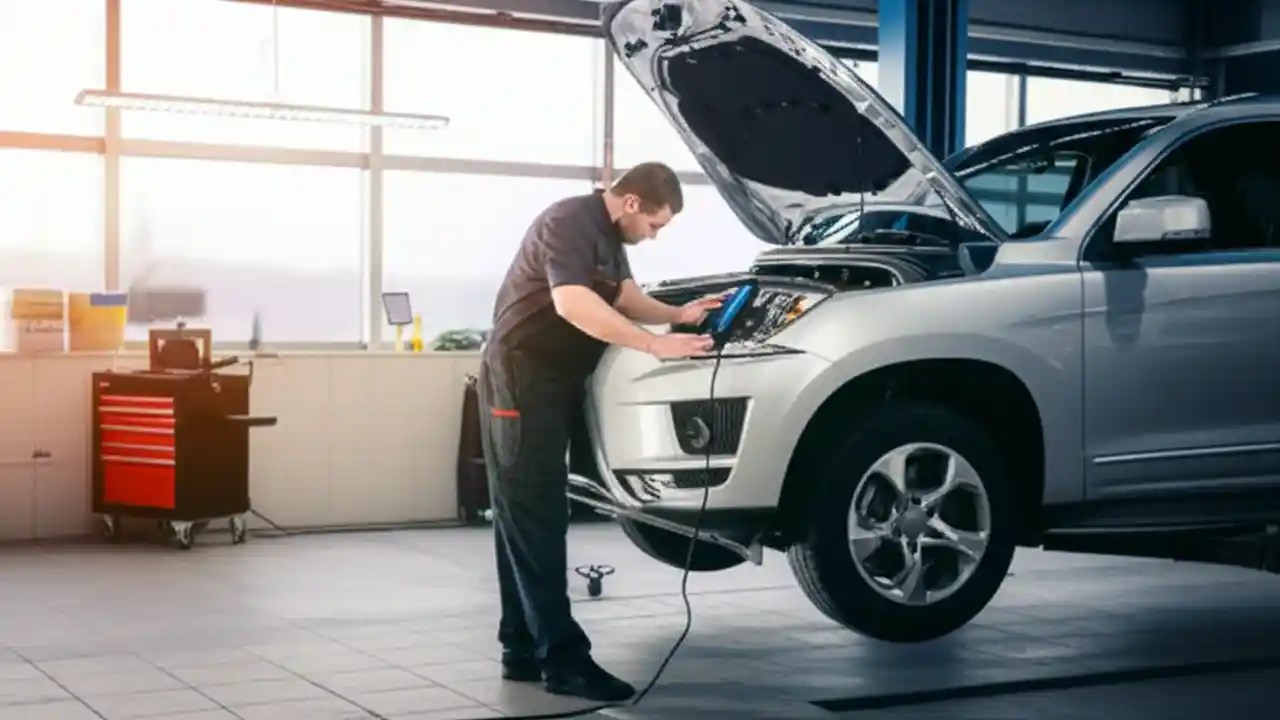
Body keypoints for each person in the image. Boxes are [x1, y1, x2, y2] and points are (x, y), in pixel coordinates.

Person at [477, 162, 719, 702]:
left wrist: (678, 316)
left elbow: (625, 297)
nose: (654, 237)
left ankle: (521, 646)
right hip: (521, 375)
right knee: (533, 512)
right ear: (631, 203)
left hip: (555, 376)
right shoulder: (568, 221)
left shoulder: (607, 234)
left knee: (527, 512)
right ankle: (563, 661)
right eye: (656, 225)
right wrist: (655, 344)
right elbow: (573, 302)